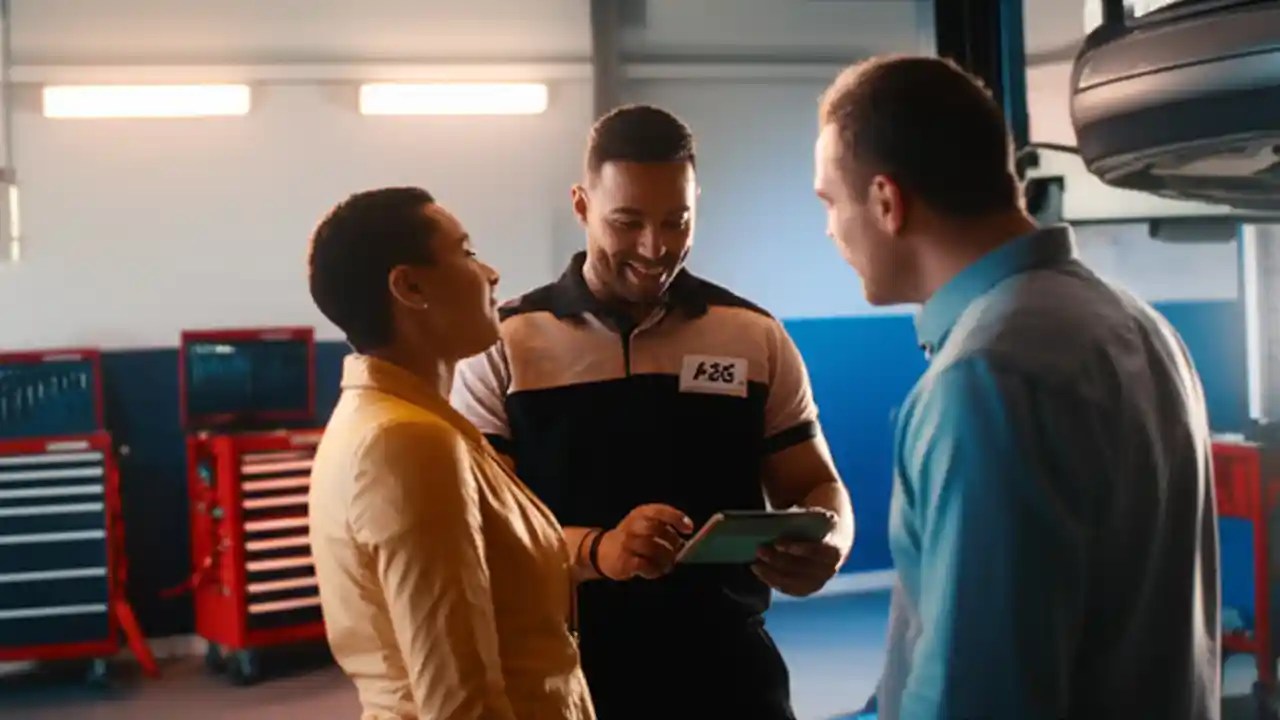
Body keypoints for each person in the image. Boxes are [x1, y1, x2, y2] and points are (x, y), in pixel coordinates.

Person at [813, 55, 1220, 719]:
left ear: (886, 202)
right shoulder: (1141, 328)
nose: (829, 229)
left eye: (830, 202)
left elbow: (974, 695)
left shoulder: (983, 378)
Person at [451, 105, 856, 719]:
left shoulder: (753, 336)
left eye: (676, 221)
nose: (654, 247)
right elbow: (488, 533)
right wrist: (598, 550)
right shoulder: (503, 345)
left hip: (731, 676)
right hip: (567, 678)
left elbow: (816, 483)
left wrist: (831, 541)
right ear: (582, 205)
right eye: (627, 221)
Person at [305, 187, 595, 720]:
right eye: (465, 252)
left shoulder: (407, 422)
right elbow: (459, 701)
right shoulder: (405, 442)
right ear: (409, 286)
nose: (490, 273)